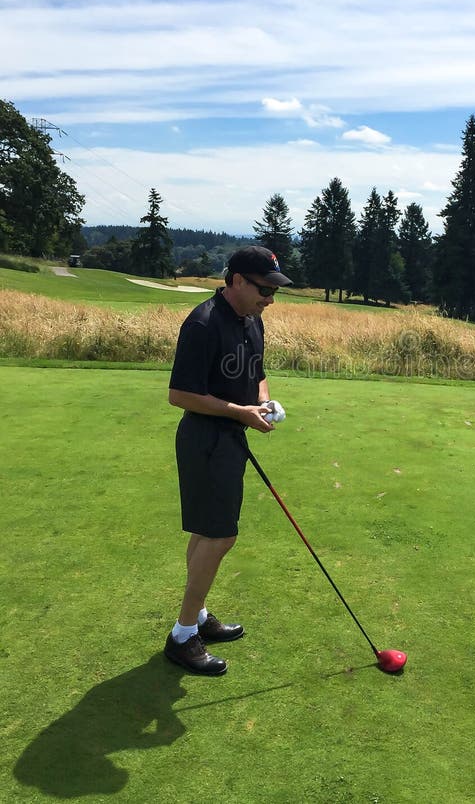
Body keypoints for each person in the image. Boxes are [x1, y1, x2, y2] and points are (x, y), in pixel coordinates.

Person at [164, 245, 292, 675]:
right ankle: (183, 635)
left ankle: (196, 616)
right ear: (236, 280)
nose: (270, 299)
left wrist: (262, 401)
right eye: (264, 289)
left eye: (275, 291)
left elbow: (255, 371)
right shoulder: (202, 323)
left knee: (207, 533)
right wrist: (241, 414)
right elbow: (179, 394)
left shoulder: (251, 320)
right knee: (220, 537)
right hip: (205, 439)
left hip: (230, 438)